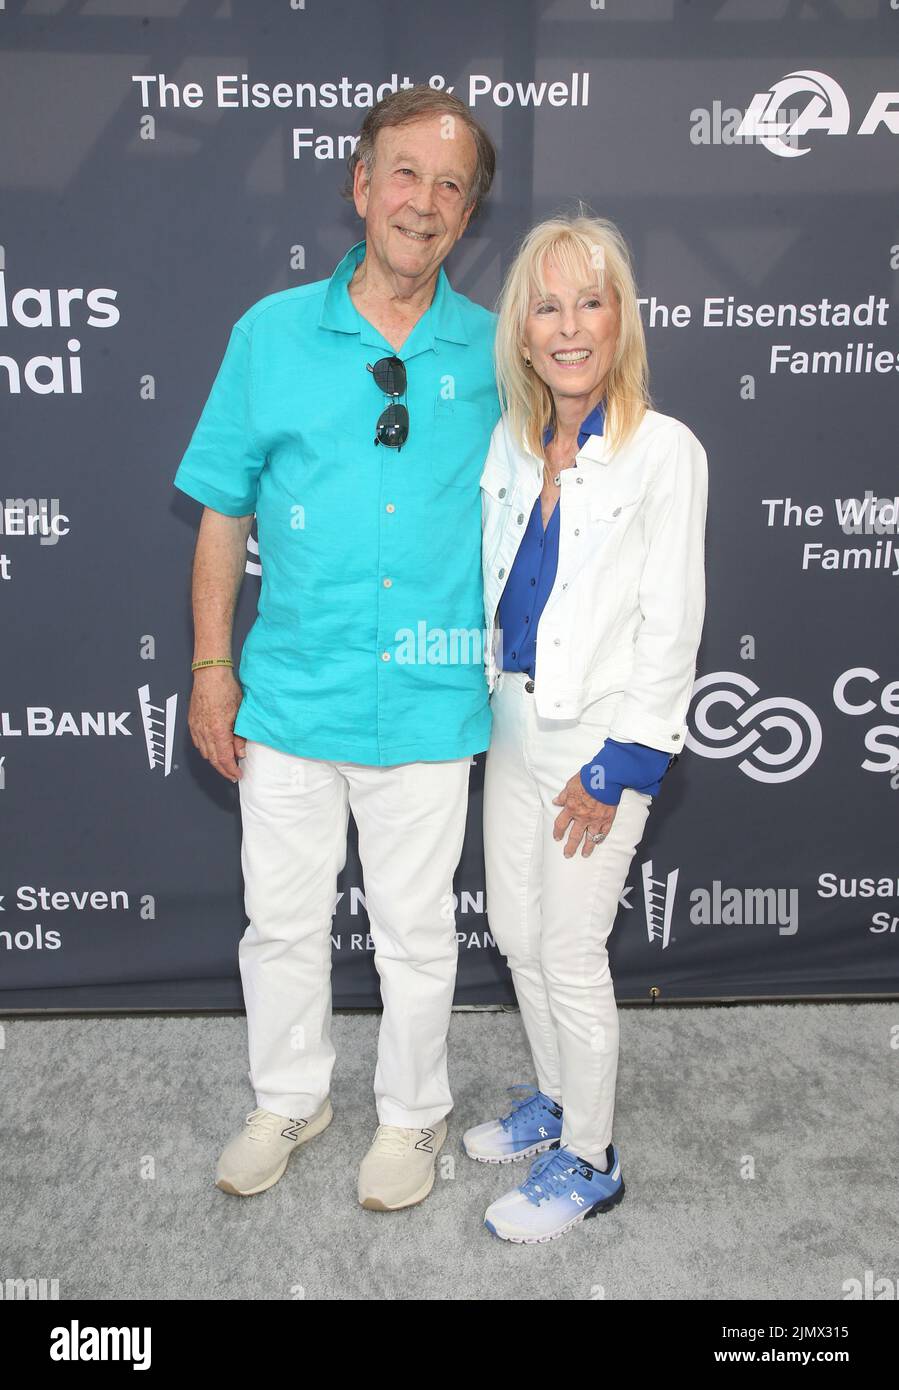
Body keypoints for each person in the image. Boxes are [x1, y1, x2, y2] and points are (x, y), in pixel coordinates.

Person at [172, 86, 500, 1210]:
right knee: (281, 921)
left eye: (450, 185)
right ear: (360, 187)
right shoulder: (267, 334)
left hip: (428, 695)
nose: (424, 200)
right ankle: (291, 1097)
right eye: (403, 174)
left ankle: (411, 1118)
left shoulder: (501, 349)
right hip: (290, 695)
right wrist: (213, 665)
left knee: (417, 932)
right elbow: (222, 509)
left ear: (468, 216)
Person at [464, 211, 708, 1242]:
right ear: (521, 331)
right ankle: (559, 1103)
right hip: (513, 728)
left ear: (621, 321)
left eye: (590, 302)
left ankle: (592, 1160)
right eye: (546, 305)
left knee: (568, 952)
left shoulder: (664, 453)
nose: (569, 326)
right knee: (518, 936)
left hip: (596, 748)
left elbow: (671, 621)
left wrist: (619, 764)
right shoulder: (512, 441)